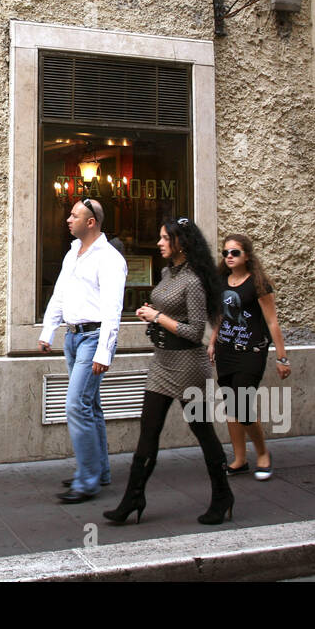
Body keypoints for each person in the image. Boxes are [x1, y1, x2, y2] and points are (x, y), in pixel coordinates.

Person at [104, 217, 231, 526]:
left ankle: (222, 495)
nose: (158, 242)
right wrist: (152, 316)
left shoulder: (195, 281)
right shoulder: (166, 272)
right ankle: (134, 497)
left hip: (189, 366)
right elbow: (168, 312)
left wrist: (157, 315)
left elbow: (195, 331)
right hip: (162, 363)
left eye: (164, 238)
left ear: (180, 243)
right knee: (148, 431)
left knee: (203, 433)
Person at [39, 198, 127, 503]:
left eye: (74, 215)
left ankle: (86, 480)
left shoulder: (110, 259)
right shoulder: (72, 253)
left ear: (91, 222)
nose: (68, 219)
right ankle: (98, 472)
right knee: (90, 405)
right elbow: (60, 293)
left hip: (94, 337)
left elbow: (113, 309)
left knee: (76, 405)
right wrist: (48, 330)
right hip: (73, 338)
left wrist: (104, 352)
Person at [207, 234, 290, 481]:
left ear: (247, 256)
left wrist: (282, 357)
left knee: (242, 406)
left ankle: (263, 453)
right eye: (226, 253)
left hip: (251, 351)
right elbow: (221, 315)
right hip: (226, 351)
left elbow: (272, 321)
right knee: (232, 405)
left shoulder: (258, 283)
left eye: (235, 253)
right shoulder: (221, 281)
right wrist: (212, 342)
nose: (229, 257)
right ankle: (240, 459)